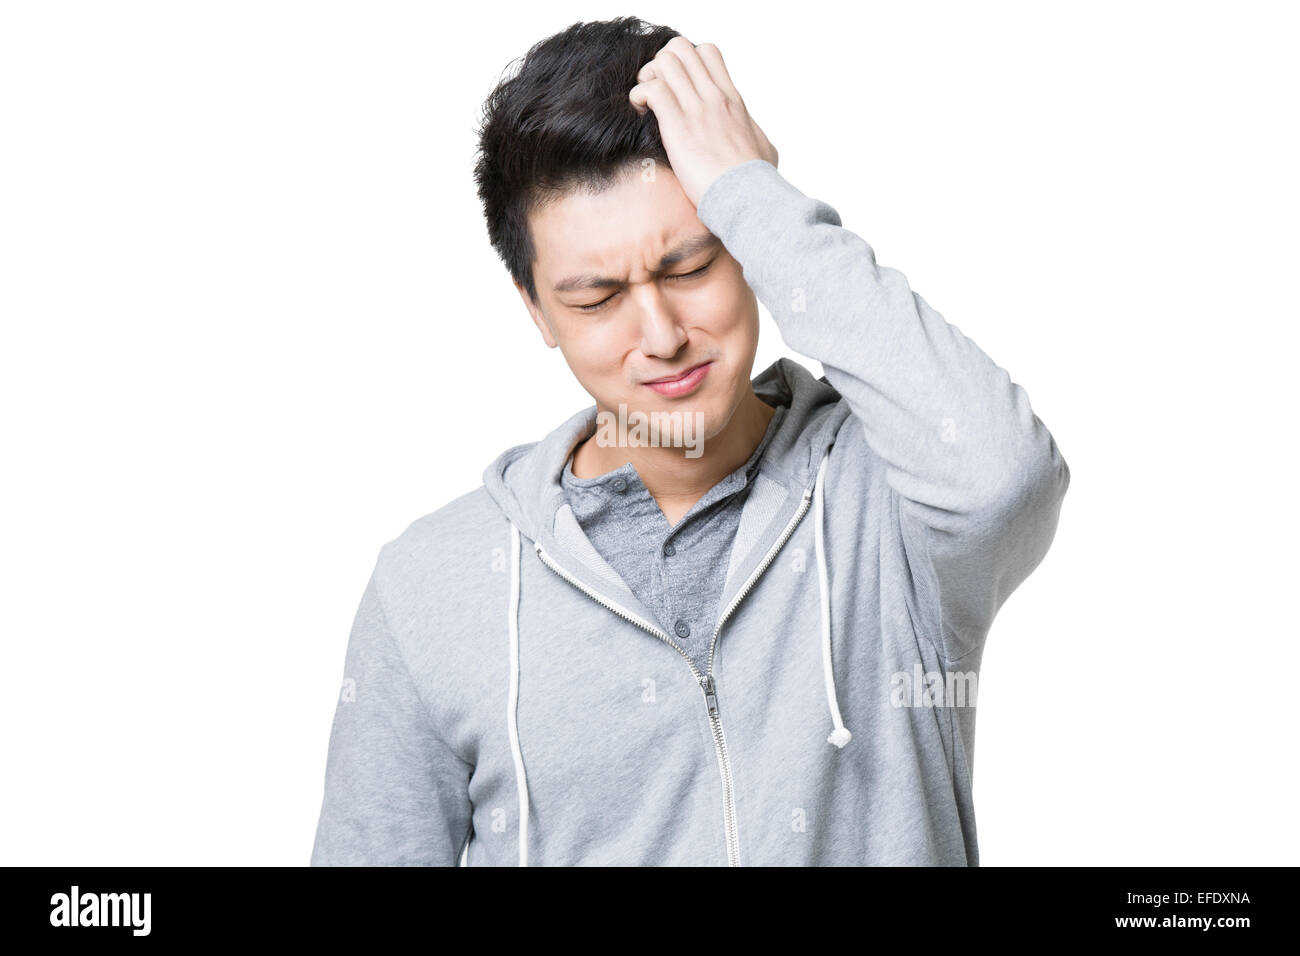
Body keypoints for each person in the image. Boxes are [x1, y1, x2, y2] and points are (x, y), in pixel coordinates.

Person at [309, 16, 1070, 866]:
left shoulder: (890, 506)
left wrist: (754, 196)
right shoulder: (430, 586)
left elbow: (1006, 477)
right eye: (597, 298)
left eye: (691, 267)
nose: (661, 334)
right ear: (536, 309)